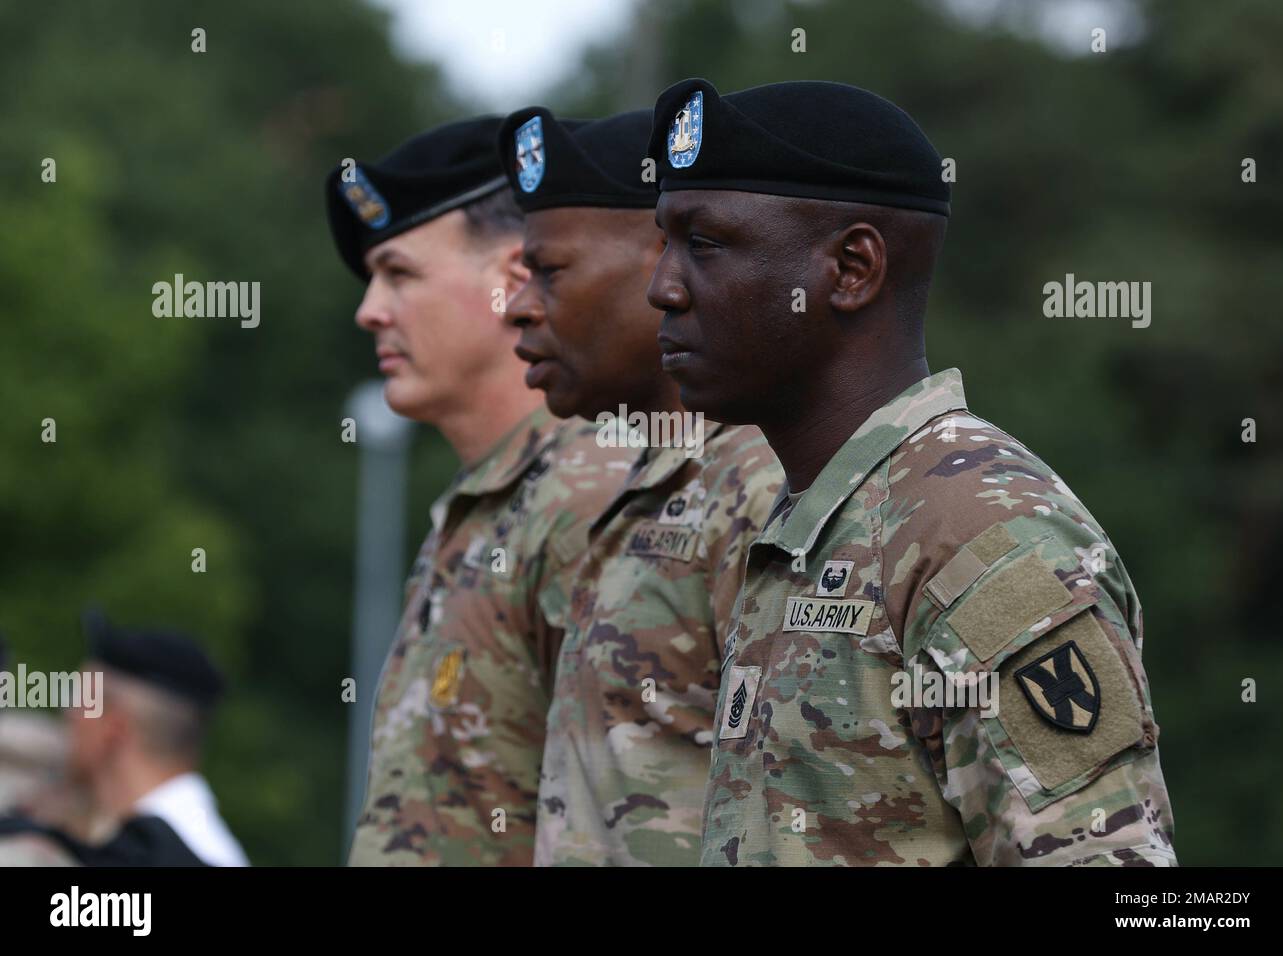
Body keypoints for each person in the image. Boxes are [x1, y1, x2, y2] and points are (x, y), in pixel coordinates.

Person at [646, 78, 1177, 866]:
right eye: (666, 240)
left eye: (706, 243)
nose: (662, 284)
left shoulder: (977, 533)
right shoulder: (814, 525)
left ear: (852, 269)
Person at [326, 117, 635, 865]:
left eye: (399, 274)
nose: (370, 309)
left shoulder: (591, 494)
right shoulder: (484, 504)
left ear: (510, 281)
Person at [498, 107, 784, 865]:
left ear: (662, 263)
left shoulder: (761, 486)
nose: (520, 305)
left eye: (549, 270)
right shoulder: (647, 482)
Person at [0, 611, 247, 866]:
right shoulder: (167, 843)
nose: (67, 715)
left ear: (113, 727)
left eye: (77, 700)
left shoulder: (176, 855)